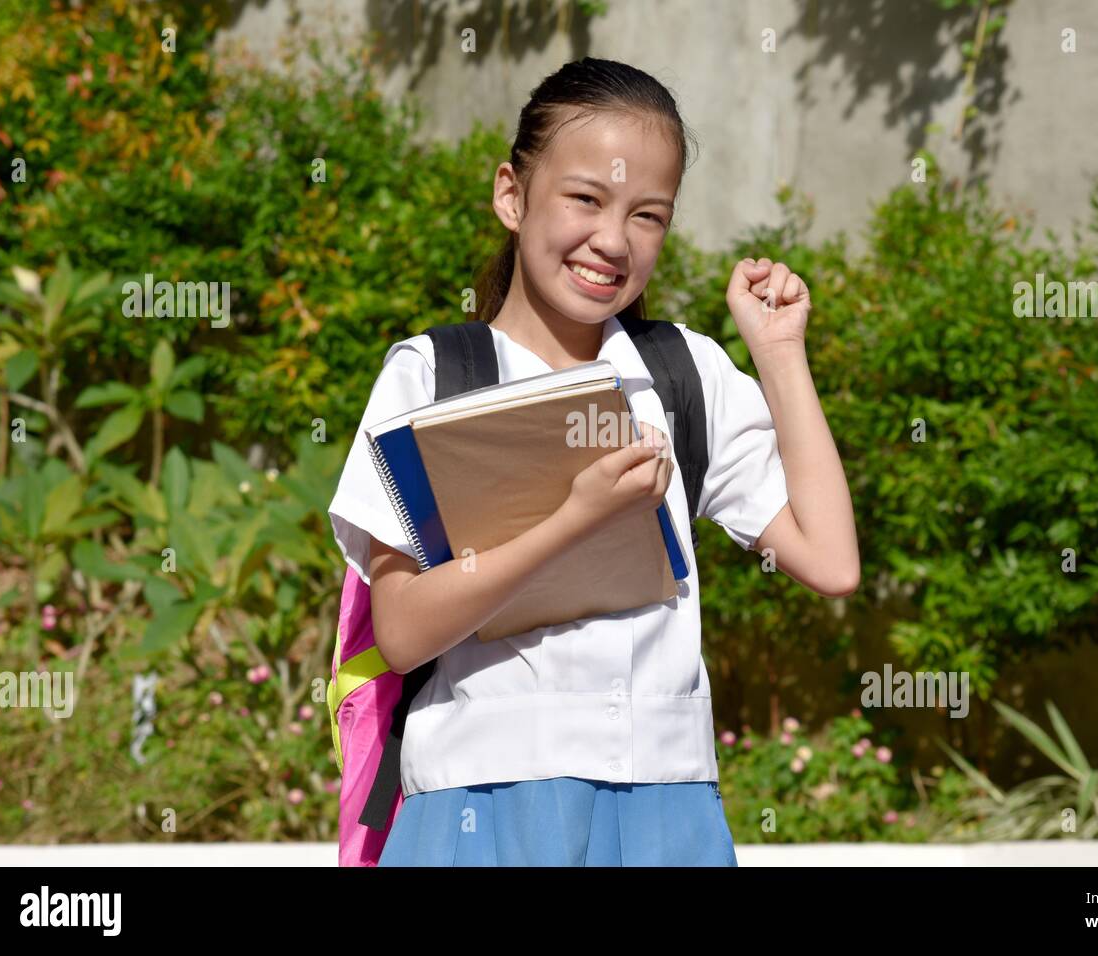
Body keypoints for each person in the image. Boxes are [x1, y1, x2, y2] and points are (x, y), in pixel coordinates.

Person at [327, 56, 860, 866]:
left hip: (666, 806)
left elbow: (830, 561)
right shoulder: (432, 373)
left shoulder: (685, 373)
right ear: (512, 194)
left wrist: (780, 354)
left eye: (649, 215)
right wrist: (576, 521)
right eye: (585, 198)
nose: (612, 240)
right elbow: (401, 632)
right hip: (478, 805)